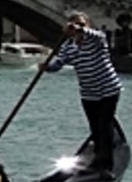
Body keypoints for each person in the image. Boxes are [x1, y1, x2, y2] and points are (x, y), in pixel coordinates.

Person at [42, 12, 122, 173]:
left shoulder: (97, 39)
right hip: (88, 93)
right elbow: (59, 63)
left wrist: (79, 28)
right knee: (95, 127)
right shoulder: (68, 46)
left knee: (104, 126)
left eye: (82, 25)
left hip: (108, 89)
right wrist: (47, 68)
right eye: (74, 26)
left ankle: (106, 164)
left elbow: (96, 35)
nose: (78, 29)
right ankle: (100, 155)